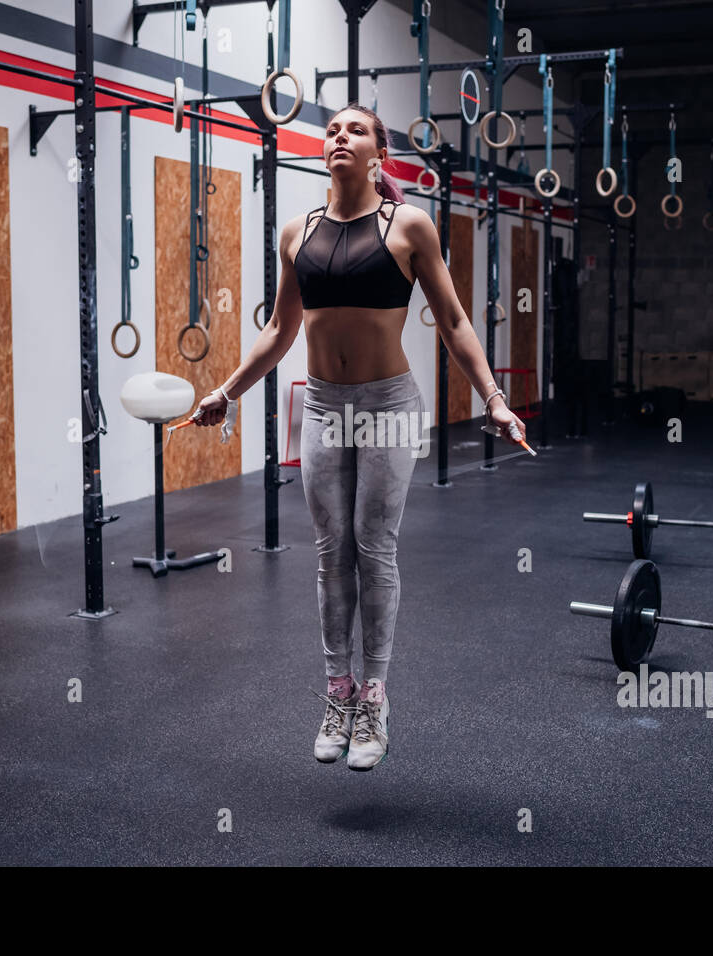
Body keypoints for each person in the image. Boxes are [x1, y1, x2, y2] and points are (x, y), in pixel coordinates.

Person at [191, 103, 527, 771]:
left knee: (373, 547)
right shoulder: (298, 232)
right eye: (333, 129)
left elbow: (455, 320)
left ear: (380, 153)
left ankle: (374, 697)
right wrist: (225, 391)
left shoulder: (409, 226)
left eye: (356, 130)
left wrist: (492, 397)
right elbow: (279, 332)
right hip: (320, 405)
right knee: (329, 550)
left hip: (387, 405)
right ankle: (337, 694)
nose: (339, 136)